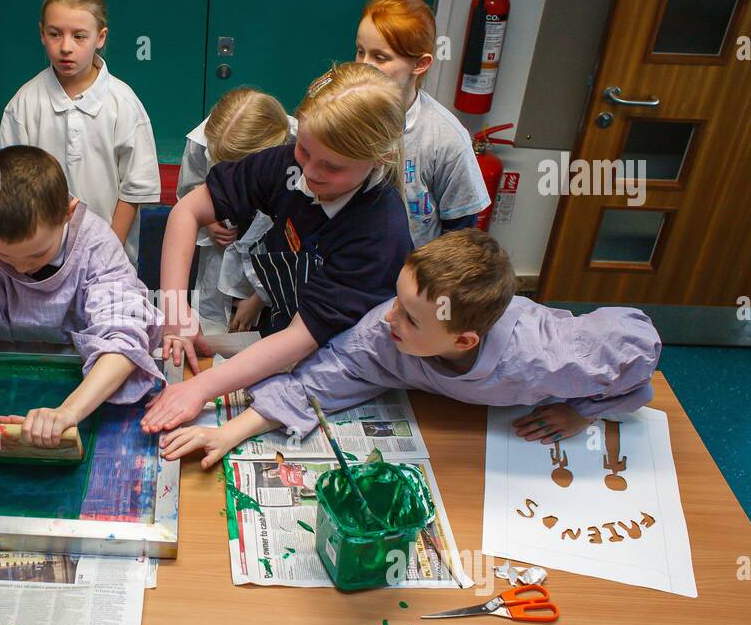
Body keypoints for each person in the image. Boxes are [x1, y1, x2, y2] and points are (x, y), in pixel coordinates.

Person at [160, 230, 662, 467]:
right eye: (396, 302)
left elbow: (641, 344)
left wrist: (585, 412)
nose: (388, 318)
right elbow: (313, 386)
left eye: (409, 317)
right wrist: (227, 434)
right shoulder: (382, 333)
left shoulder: (546, 358)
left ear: (463, 341)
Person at [142, 62, 411, 434]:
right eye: (303, 149)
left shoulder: (379, 230)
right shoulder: (289, 165)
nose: (310, 173)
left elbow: (302, 339)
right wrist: (174, 310)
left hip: (343, 363)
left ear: (378, 160)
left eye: (332, 167)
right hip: (286, 333)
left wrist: (198, 390)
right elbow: (188, 211)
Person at [0, 146, 163, 447]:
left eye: (36, 254)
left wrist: (68, 412)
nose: (20, 267)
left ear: (67, 214)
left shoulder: (96, 247)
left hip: (86, 388)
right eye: (4, 256)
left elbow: (124, 342)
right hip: (0, 378)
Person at [0, 0, 160, 265]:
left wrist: (109, 248)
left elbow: (135, 188)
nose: (66, 47)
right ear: (41, 34)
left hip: (110, 256)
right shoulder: (23, 105)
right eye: (55, 34)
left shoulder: (123, 103)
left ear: (101, 37)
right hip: (41, 257)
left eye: (79, 36)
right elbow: (9, 184)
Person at [354, 0, 490, 246]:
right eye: (360, 52)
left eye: (380, 57)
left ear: (420, 64)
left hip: (406, 275)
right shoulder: (339, 113)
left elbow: (460, 235)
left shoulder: (446, 138)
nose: (364, 65)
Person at [176, 87, 295, 334]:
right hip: (219, 258)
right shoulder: (202, 141)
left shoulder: (299, 150)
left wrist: (261, 296)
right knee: (213, 330)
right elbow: (187, 200)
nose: (229, 184)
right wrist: (208, 221)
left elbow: (296, 247)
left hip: (277, 267)